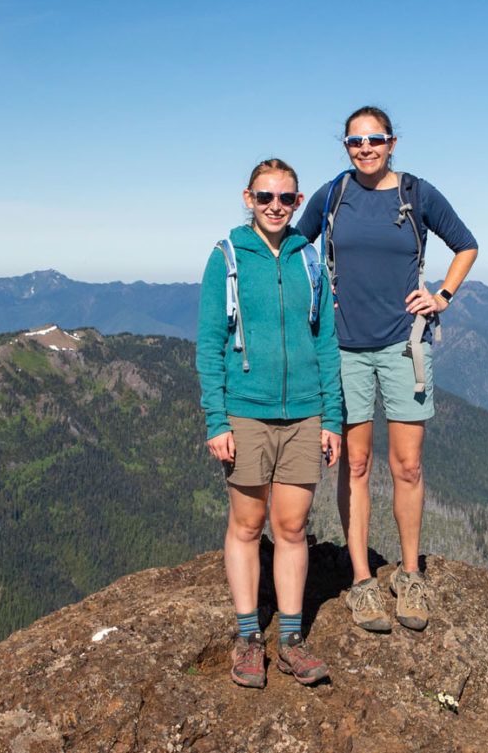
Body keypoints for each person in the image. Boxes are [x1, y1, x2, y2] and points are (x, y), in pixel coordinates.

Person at [295, 106, 478, 633]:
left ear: (392, 142)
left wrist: (442, 294)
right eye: (355, 141)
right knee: (354, 465)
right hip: (344, 348)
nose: (365, 148)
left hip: (405, 346)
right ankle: (361, 581)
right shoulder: (333, 195)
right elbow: (295, 247)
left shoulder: (417, 194)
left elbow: (466, 244)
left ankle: (410, 572)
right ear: (346, 146)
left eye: (375, 139)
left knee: (408, 466)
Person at [196, 158, 343, 688]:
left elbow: (325, 340)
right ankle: (247, 636)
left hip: (305, 411)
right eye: (265, 197)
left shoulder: (310, 260)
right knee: (247, 525)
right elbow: (209, 344)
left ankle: (290, 639)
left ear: (299, 202)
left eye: (285, 199)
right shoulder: (228, 257)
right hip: (246, 410)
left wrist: (333, 417)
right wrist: (218, 419)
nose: (275, 207)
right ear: (247, 198)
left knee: (292, 527)